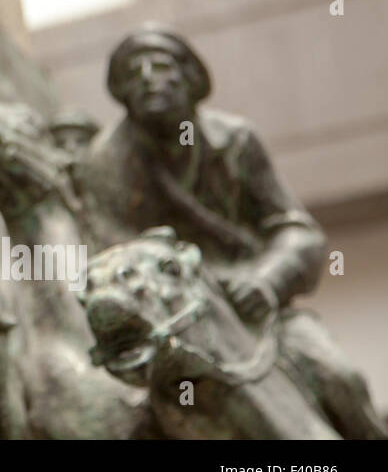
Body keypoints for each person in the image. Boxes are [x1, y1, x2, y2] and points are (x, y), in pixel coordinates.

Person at [80, 25, 387, 439]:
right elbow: (112, 254)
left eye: (161, 66)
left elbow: (298, 231)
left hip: (254, 313)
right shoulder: (106, 164)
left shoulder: (236, 141)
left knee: (338, 375)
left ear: (189, 79)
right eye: (133, 72)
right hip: (169, 325)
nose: (147, 77)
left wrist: (265, 280)